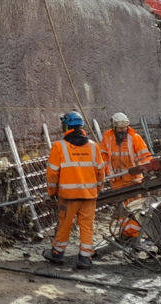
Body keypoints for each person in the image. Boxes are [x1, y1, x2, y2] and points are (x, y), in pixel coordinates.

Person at [44, 111, 106, 269]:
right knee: (87, 226)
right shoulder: (93, 146)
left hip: (68, 197)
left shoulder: (59, 147)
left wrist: (52, 193)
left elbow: (52, 174)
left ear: (65, 126)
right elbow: (100, 172)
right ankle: (85, 258)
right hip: (89, 196)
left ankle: (57, 253)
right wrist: (96, 190)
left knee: (64, 225)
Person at [100, 112, 152, 238]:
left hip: (133, 179)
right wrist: (105, 173)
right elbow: (103, 156)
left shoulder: (135, 138)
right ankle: (126, 232)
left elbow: (145, 157)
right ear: (113, 127)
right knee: (121, 208)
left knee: (135, 207)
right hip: (116, 180)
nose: (123, 130)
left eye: (124, 127)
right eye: (120, 128)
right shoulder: (107, 137)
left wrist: (145, 169)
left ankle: (135, 233)